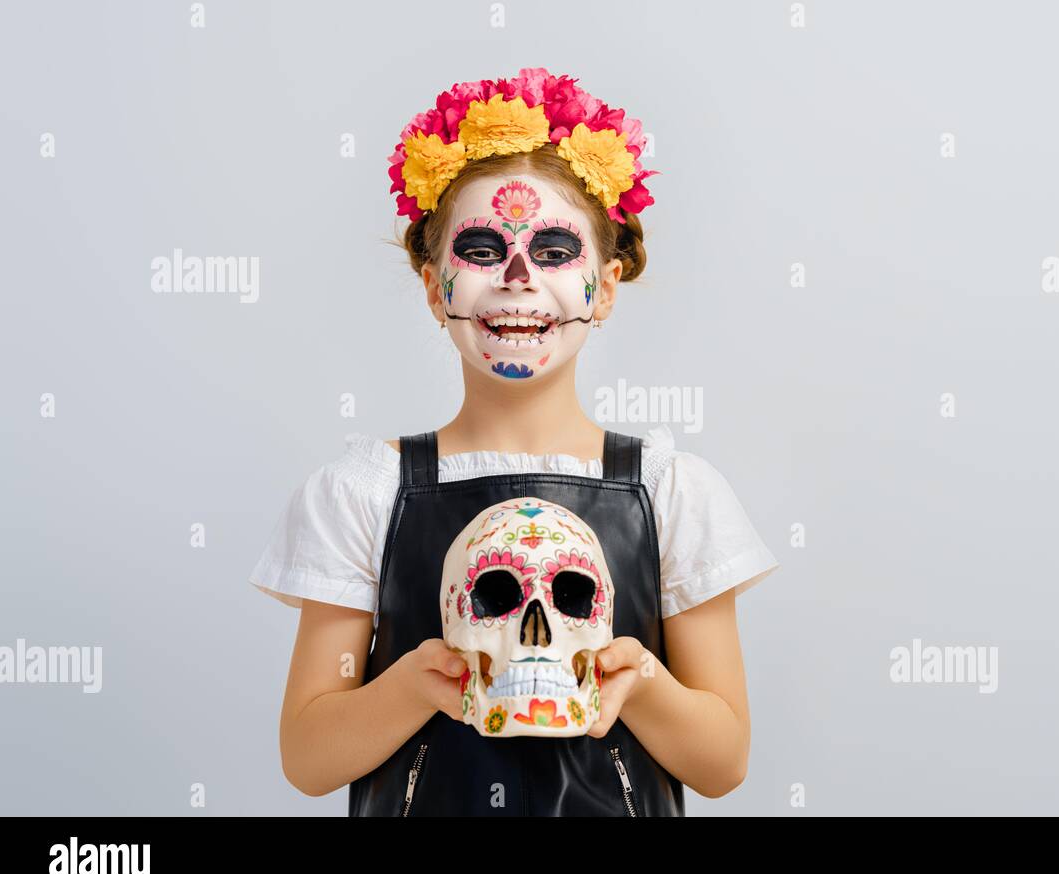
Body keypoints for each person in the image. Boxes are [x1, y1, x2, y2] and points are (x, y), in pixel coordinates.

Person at [248, 67, 779, 815]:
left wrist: (642, 684)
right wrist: (413, 686)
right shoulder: (365, 493)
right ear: (434, 288)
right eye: (482, 249)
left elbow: (723, 762)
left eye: (555, 251)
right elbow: (308, 757)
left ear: (606, 285)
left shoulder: (671, 493)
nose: (519, 277)